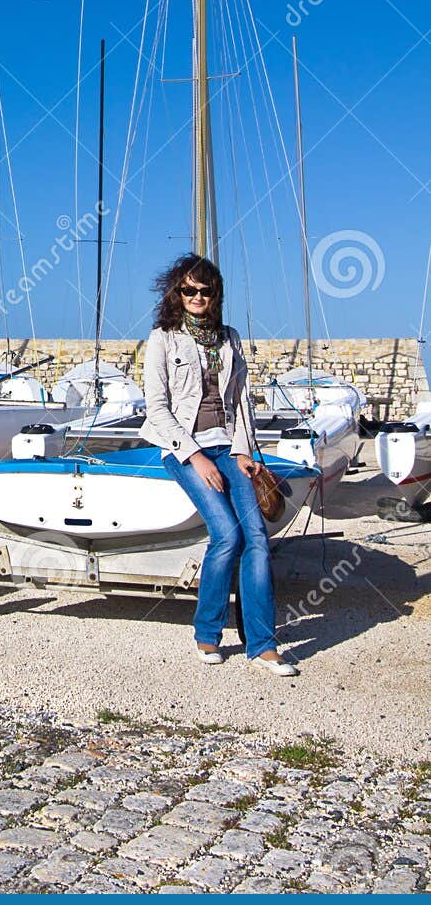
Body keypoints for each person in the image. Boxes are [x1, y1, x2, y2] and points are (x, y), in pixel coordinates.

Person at [141, 253, 297, 676]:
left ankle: (263, 644)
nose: (196, 296)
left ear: (215, 295)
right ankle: (207, 633)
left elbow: (243, 401)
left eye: (204, 290)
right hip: (183, 449)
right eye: (188, 290)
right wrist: (193, 456)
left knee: (257, 539)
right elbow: (157, 408)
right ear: (178, 293)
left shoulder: (229, 338)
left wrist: (243, 451)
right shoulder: (163, 338)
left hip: (229, 448)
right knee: (226, 536)